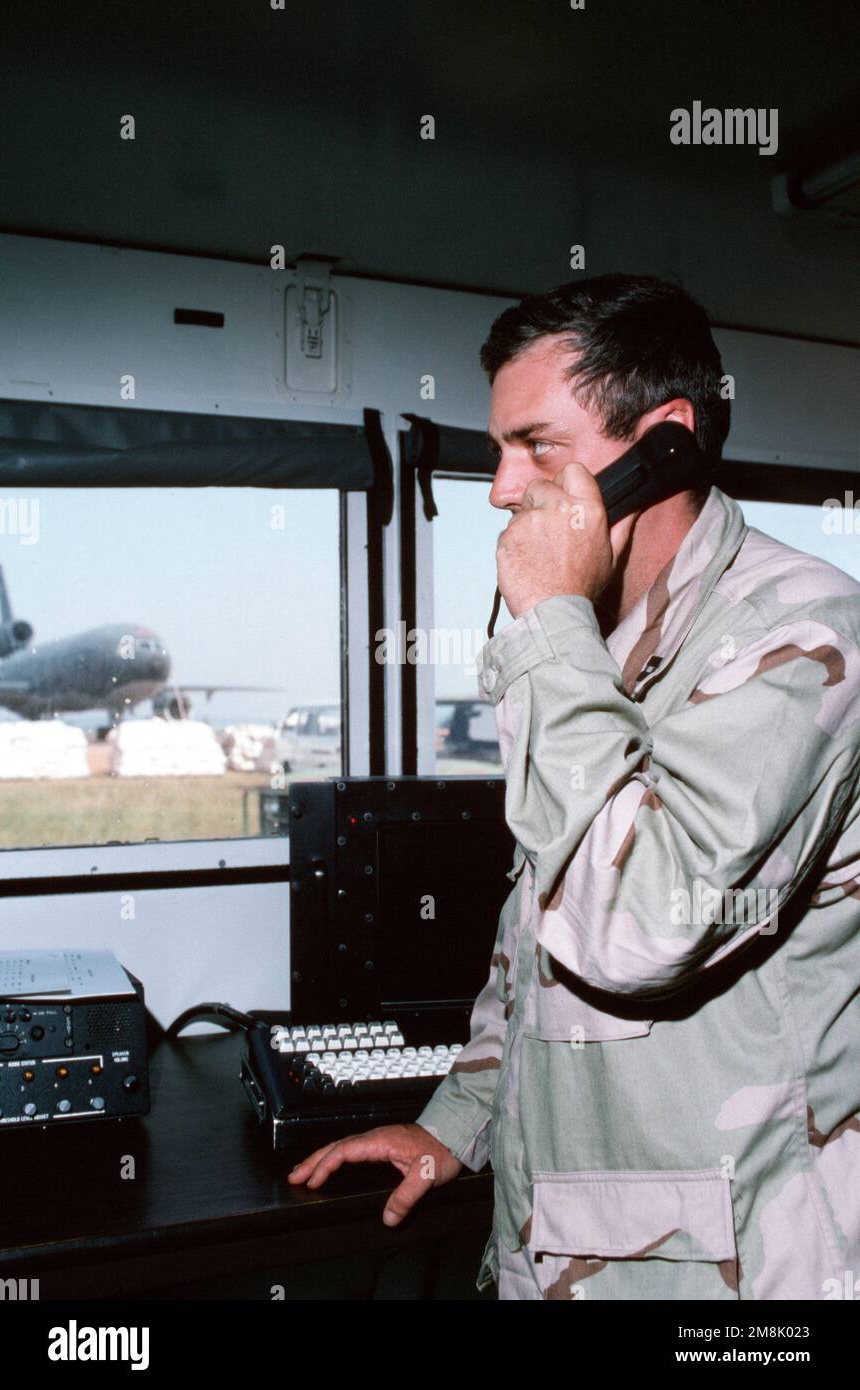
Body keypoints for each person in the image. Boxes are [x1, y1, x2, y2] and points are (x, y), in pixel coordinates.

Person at [289, 274, 860, 1300]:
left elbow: (631, 931)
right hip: (567, 1233)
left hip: (732, 1268)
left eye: (536, 445)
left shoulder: (799, 633)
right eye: (500, 448)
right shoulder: (590, 636)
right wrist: (449, 1123)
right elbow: (540, 925)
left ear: (666, 441)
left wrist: (547, 626)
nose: (503, 486)